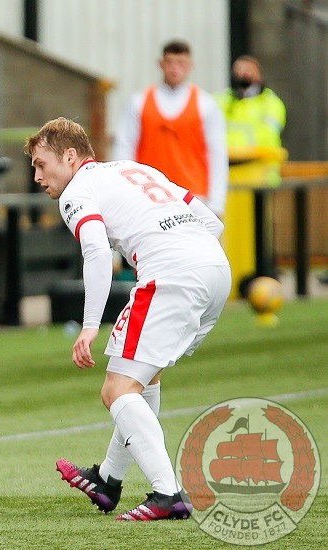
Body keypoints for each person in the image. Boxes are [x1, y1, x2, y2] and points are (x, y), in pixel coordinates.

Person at [25, 118, 230, 521]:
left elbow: (98, 253)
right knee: (141, 377)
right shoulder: (134, 168)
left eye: (41, 164)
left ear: (70, 157)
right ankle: (108, 479)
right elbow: (213, 222)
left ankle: (167, 494)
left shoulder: (77, 191)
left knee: (116, 390)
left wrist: (88, 325)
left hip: (172, 274)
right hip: (215, 268)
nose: (37, 176)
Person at [112, 39, 228, 217]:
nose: (175, 68)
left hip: (195, 198)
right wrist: (125, 194)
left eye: (181, 63)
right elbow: (124, 148)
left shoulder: (206, 105)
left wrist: (216, 202)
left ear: (190, 66)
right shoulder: (139, 102)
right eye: (170, 62)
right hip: (149, 197)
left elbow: (217, 153)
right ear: (161, 64)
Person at [216, 55, 286, 186]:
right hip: (229, 177)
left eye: (248, 69)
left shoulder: (270, 103)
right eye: (238, 69)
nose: (244, 73)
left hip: (260, 176)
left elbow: (269, 135)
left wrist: (237, 149)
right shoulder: (223, 100)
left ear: (259, 75)